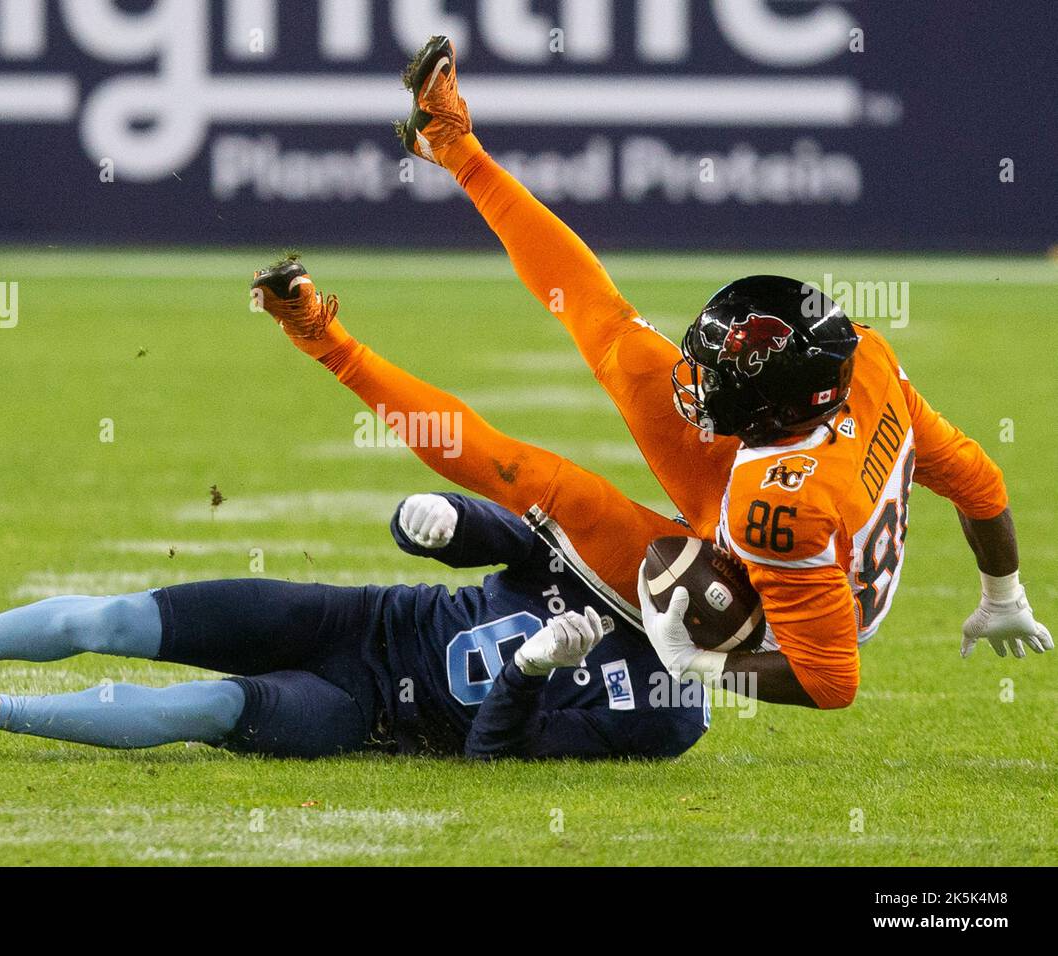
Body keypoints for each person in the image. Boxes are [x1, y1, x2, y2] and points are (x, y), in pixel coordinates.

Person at [252, 35, 1050, 712]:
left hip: (763, 594)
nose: (699, 382)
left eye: (724, 382)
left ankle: (329, 344)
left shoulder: (785, 507)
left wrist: (699, 665)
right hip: (776, 489)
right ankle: (454, 145)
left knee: (543, 483)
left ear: (772, 408)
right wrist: (1003, 596)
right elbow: (979, 481)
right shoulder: (862, 358)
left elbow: (832, 680)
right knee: (605, 322)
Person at [0, 492, 707, 760]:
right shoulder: (607, 556)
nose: (674, 582)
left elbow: (492, 759)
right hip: (356, 616)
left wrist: (531, 672)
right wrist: (432, 519)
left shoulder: (669, 717)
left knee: (207, 709)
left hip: (366, 710)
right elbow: (489, 532)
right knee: (117, 614)